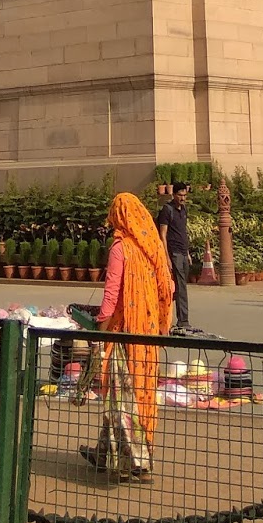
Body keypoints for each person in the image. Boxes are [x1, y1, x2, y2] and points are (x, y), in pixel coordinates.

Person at [79, 192, 173, 482]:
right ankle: (103, 452)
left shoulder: (121, 249)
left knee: (121, 398)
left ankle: (136, 463)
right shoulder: (151, 248)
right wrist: (160, 324)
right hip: (147, 335)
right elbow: (167, 289)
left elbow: (111, 295)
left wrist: (100, 331)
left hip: (123, 333)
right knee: (138, 393)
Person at [155, 183, 192, 332]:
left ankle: (164, 316)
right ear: (174, 195)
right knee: (180, 287)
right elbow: (163, 234)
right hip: (174, 253)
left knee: (178, 288)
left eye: (184, 195)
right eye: (180, 195)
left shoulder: (183, 210)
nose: (182, 198)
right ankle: (183, 320)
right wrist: (166, 257)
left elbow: (183, 232)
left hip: (183, 253)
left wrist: (188, 253)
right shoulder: (167, 210)